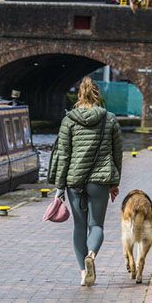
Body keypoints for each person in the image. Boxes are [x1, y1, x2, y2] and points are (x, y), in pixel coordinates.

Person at [48, 76, 123, 287]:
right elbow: (118, 154)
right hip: (100, 179)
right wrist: (115, 182)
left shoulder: (69, 120)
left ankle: (83, 272)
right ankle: (92, 254)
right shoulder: (110, 119)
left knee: (79, 227)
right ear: (97, 95)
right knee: (96, 225)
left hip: (74, 180)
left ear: (79, 95)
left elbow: (63, 156)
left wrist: (59, 187)